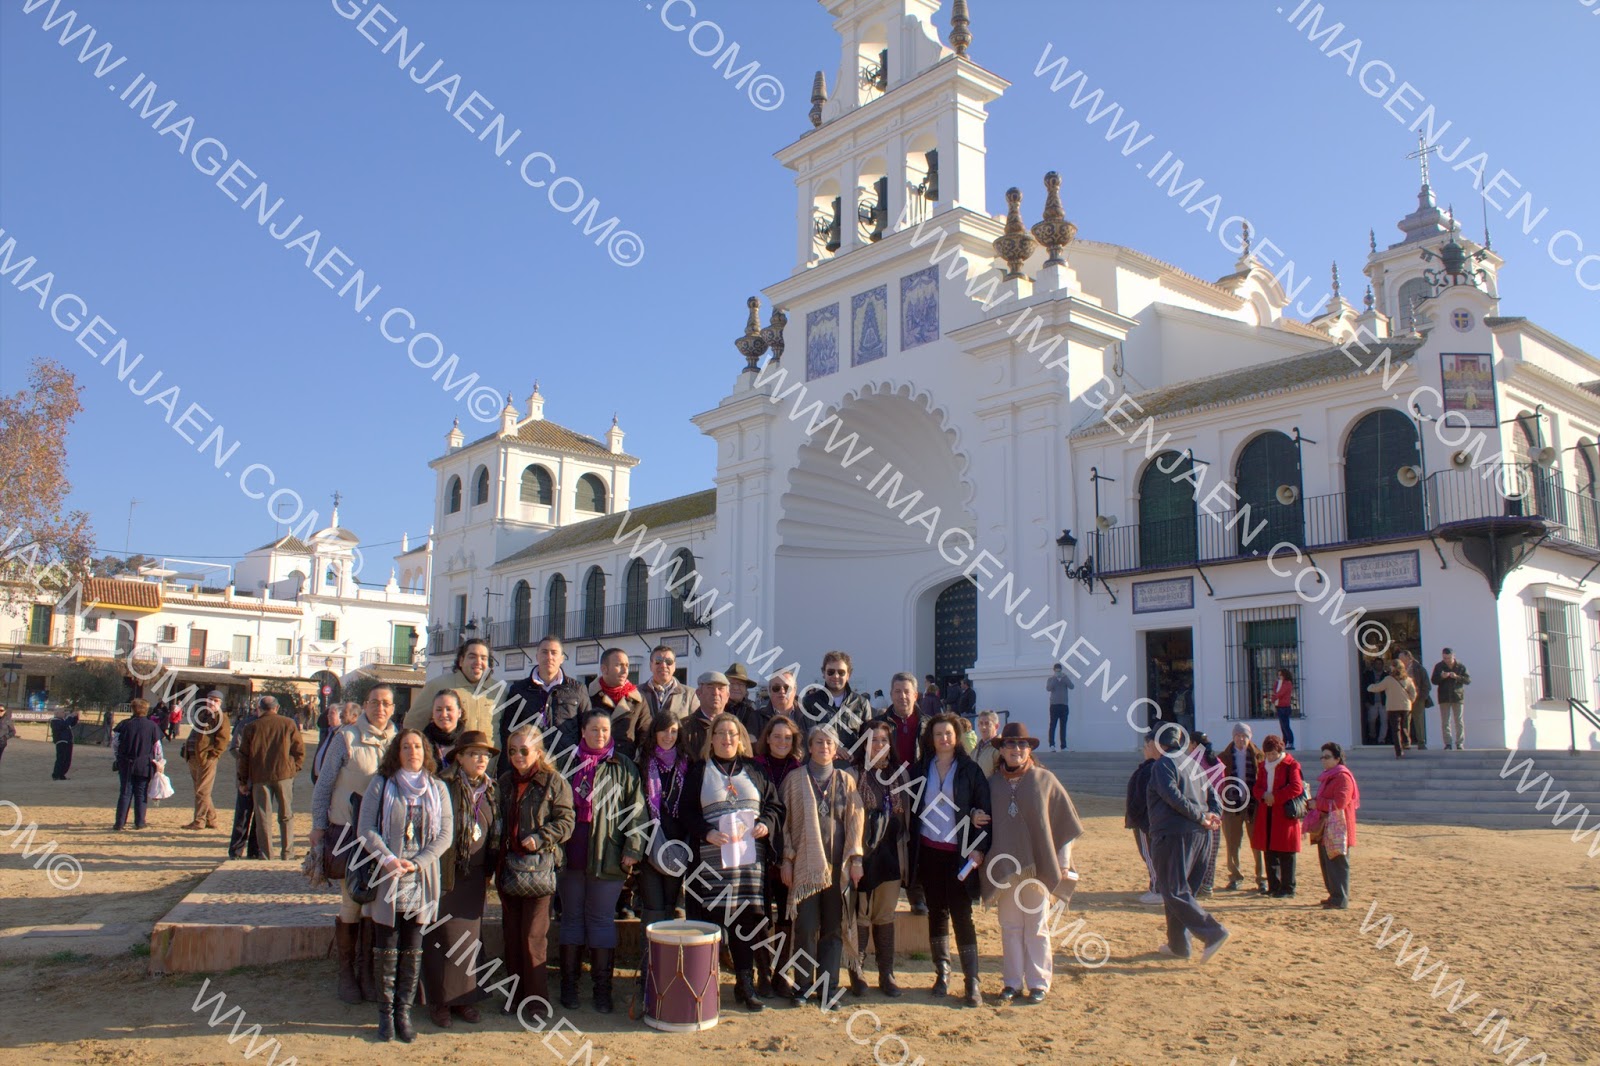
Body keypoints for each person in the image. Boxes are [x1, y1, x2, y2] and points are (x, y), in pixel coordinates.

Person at [359, 729, 454, 1043]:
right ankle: (385, 1016)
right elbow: (366, 828)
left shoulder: (437, 788)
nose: (412, 750)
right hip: (388, 876)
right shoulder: (381, 784)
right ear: (396, 752)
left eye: (417, 746)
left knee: (413, 948)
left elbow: (445, 835)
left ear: (425, 751)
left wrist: (418, 862)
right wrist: (388, 859)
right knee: (387, 946)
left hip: (421, 878)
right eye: (406, 746)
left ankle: (404, 1013)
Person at [981, 723, 1084, 1003]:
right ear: (1001, 750)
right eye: (1010, 744)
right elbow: (979, 820)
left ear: (1029, 750)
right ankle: (1012, 982)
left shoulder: (1044, 780)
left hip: (1038, 866)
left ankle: (1039, 982)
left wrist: (1062, 863)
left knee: (1037, 925)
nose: (1016, 749)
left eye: (1022, 745)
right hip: (1003, 866)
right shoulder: (991, 785)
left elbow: (1064, 822)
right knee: (1010, 925)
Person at [684, 712, 779, 1012]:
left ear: (740, 740)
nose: (727, 739)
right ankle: (705, 985)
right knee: (710, 925)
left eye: (733, 734)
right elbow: (686, 813)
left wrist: (766, 823)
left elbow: (775, 806)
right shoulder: (699, 771)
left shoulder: (755, 770)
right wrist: (707, 832)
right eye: (721, 733)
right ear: (711, 739)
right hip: (711, 866)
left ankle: (745, 984)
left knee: (745, 925)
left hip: (750, 868)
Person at [312, 684, 398, 1004]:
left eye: (386, 703)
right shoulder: (345, 738)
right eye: (374, 702)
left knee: (373, 904)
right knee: (351, 901)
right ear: (365, 705)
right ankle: (346, 972)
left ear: (392, 709)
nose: (380, 708)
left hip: (382, 836)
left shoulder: (398, 742)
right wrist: (318, 829)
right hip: (349, 832)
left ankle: (366, 971)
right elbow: (324, 786)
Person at [556, 709, 643, 1015]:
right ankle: (569, 986)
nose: (600, 735)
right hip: (571, 851)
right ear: (583, 731)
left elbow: (637, 810)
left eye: (605, 730)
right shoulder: (565, 764)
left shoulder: (624, 766)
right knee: (571, 917)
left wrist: (634, 846)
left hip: (608, 851)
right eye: (594, 730)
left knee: (601, 919)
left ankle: (602, 990)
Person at [907, 712, 991, 1007]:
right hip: (929, 852)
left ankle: (972, 981)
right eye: (938, 733)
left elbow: (983, 811)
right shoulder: (921, 769)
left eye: (948, 733)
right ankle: (942, 973)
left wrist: (979, 848)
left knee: (962, 915)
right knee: (937, 913)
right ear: (931, 739)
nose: (943, 738)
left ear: (957, 737)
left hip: (960, 854)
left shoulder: (970, 770)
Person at [780, 724, 863, 1010]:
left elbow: (855, 821)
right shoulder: (795, 780)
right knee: (805, 927)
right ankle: (803, 986)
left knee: (833, 928)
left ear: (836, 748)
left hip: (838, 868)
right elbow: (786, 825)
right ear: (810, 746)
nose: (824, 747)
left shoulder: (846, 780)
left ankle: (828, 988)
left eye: (829, 743)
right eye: (818, 742)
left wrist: (856, 859)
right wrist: (787, 860)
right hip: (806, 868)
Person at [497, 724, 574, 1022]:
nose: (518, 756)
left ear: (539, 752)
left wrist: (541, 837)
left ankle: (537, 1002)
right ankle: (514, 996)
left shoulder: (554, 782)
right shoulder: (503, 781)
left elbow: (567, 821)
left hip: (540, 868)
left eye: (524, 750)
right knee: (512, 937)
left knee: (533, 937)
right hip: (509, 869)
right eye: (513, 750)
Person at [425, 730, 499, 1028]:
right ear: (459, 757)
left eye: (485, 755)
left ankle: (466, 998)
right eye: (473, 754)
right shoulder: (443, 785)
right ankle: (440, 1001)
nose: (481, 759)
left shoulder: (491, 789)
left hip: (477, 874)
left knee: (470, 938)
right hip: (447, 872)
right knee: (442, 937)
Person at [1147, 728, 1230, 963]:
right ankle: (1178, 945)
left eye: (1150, 743)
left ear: (1159, 744)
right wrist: (1212, 814)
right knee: (1183, 893)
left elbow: (1172, 796)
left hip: (1175, 834)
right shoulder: (1193, 764)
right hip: (1200, 836)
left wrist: (1200, 817)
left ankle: (1212, 932)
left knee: (1174, 891)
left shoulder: (1163, 765)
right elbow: (1213, 794)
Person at [853, 719, 910, 997]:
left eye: (883, 740)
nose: (878, 745)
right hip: (862, 856)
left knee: (885, 915)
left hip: (890, 854)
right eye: (872, 740)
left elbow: (907, 818)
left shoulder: (900, 776)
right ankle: (858, 970)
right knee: (861, 915)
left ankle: (886, 973)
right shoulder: (853, 774)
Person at [753, 712, 803, 996]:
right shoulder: (755, 767)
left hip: (787, 853)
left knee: (786, 916)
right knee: (760, 915)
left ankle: (782, 974)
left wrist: (789, 857)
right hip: (759, 851)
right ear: (767, 739)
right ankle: (763, 973)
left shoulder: (798, 770)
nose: (782, 741)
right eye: (776, 737)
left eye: (788, 738)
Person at [636, 711, 690, 942]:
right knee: (652, 908)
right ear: (654, 732)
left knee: (669, 906)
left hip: (677, 845)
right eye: (664, 730)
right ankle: (649, 968)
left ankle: (666, 965)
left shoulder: (688, 764)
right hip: (649, 845)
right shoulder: (642, 763)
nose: (668, 736)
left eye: (674, 731)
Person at [500, 635, 590, 764]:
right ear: (537, 656)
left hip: (567, 766)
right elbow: (508, 731)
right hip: (530, 765)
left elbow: (587, 728)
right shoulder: (519, 690)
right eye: (544, 652)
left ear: (562, 658)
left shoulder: (578, 689)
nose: (549, 657)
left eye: (554, 653)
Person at [236, 695, 305, 861]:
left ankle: (267, 854)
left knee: (263, 817)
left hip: (260, 776)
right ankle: (288, 853)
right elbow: (299, 750)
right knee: (286, 815)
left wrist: (243, 781)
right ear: (277, 708)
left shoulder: (251, 727)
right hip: (284, 775)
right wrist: (293, 769)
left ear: (260, 709)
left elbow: (243, 757)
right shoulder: (288, 724)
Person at [403, 638, 499, 735]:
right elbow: (412, 724)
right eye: (472, 657)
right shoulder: (438, 686)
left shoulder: (499, 691)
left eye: (483, 658)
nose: (478, 662)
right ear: (461, 661)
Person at [1306, 742, 1360, 910]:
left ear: (1338, 759)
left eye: (1327, 757)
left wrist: (1318, 804)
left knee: (1337, 862)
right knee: (1327, 862)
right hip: (1326, 825)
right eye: (1322, 757)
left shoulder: (1343, 777)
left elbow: (1340, 802)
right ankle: (1333, 895)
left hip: (1338, 827)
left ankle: (1340, 898)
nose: (1324, 760)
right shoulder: (1328, 776)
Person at [1251, 734, 1304, 898]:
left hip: (1283, 813)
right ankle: (1274, 885)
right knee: (1269, 850)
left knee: (1286, 852)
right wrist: (1263, 796)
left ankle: (1288, 887)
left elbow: (1296, 787)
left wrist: (1275, 797)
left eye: (1273, 753)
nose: (1271, 757)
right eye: (1268, 754)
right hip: (1266, 812)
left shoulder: (1291, 765)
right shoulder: (1263, 766)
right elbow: (1257, 787)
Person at [1217, 723, 1263, 892]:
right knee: (1232, 843)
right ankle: (1235, 876)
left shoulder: (1259, 756)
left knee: (1258, 843)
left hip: (1254, 805)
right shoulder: (1224, 757)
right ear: (1233, 737)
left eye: (1244, 735)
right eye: (1238, 735)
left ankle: (1261, 877)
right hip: (1231, 805)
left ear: (1249, 737)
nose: (1241, 739)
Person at [800, 651, 872, 758]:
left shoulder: (862, 703)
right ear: (823, 673)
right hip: (820, 767)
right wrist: (833, 748)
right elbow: (807, 737)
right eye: (831, 672)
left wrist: (851, 754)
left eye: (841, 672)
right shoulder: (809, 702)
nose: (836, 676)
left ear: (849, 674)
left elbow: (868, 739)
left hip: (852, 767)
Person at [111, 698, 165, 831]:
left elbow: (115, 743)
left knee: (125, 792)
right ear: (146, 710)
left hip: (126, 762)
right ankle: (140, 822)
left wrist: (118, 757)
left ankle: (119, 823)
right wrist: (159, 762)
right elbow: (157, 747)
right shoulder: (152, 726)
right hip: (144, 764)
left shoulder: (124, 724)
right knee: (141, 793)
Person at [587, 648, 650, 761]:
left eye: (627, 665)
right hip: (594, 764)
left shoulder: (638, 700)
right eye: (619, 665)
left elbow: (645, 735)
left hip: (626, 766)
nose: (625, 670)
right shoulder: (588, 697)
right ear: (604, 669)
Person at [181, 691, 231, 830]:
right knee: (201, 790)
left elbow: (223, 740)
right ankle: (211, 819)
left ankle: (199, 821)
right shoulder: (203, 715)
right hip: (193, 757)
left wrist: (213, 754)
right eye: (210, 700)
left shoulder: (221, 718)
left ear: (220, 703)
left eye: (216, 700)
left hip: (206, 758)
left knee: (202, 791)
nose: (212, 703)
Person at [1187, 732, 1225, 898]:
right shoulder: (1216, 762)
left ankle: (1195, 883)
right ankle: (1208, 884)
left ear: (1194, 744)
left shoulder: (1190, 763)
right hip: (1215, 811)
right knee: (1211, 851)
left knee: (1194, 851)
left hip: (1197, 813)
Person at [1125, 733, 1162, 904]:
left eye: (1147, 747)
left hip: (1145, 821)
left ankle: (1157, 889)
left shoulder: (1150, 769)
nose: (1144, 750)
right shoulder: (1154, 767)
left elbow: (1140, 797)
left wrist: (1134, 815)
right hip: (1152, 820)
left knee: (1150, 855)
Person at [1368, 662, 1417, 759]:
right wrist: (1410, 701)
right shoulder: (1408, 679)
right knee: (1405, 726)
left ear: (1394, 668)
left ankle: (1399, 752)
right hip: (1406, 706)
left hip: (1393, 707)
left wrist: (1369, 687)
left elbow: (1377, 688)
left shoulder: (1388, 679)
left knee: (1396, 730)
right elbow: (1413, 693)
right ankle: (1407, 742)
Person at [678, 670, 729, 758]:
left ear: (727, 696)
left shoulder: (735, 727)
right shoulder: (683, 727)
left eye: (720, 688)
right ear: (698, 693)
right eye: (710, 687)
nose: (716, 693)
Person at [640, 644, 697, 722]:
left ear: (674, 666)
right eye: (658, 661)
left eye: (668, 662)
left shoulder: (690, 695)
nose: (663, 665)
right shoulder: (637, 693)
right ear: (650, 665)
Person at [877, 672, 922, 767]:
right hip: (889, 778)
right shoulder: (877, 724)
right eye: (898, 691)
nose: (902, 696)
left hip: (921, 779)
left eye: (907, 691)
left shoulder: (928, 724)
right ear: (891, 694)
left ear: (915, 696)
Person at [1431, 648, 1471, 751]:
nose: (1447, 660)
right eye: (1444, 658)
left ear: (1453, 656)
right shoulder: (1439, 666)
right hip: (1444, 697)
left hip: (1457, 696)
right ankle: (1448, 743)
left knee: (1458, 721)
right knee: (1445, 721)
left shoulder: (1460, 666)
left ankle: (1460, 743)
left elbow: (1468, 680)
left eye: (1448, 658)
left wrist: (1457, 677)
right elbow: (1433, 680)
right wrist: (1442, 677)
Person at [421, 690, 466, 770]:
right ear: (433, 713)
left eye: (449, 709)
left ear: (459, 712)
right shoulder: (421, 742)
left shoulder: (468, 742)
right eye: (439, 710)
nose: (444, 714)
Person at [1397, 649, 1432, 750]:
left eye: (1401, 658)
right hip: (1405, 699)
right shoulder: (1400, 670)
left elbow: (1427, 685)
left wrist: (1422, 698)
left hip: (1418, 699)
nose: (1400, 660)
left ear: (1408, 657)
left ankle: (1421, 742)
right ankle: (1406, 742)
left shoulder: (1419, 668)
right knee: (1405, 721)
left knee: (1418, 720)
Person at [725, 662, 769, 738]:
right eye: (731, 683)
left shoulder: (753, 710)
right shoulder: (718, 707)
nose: (736, 688)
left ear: (746, 689)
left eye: (740, 684)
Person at [312, 702, 346, 784]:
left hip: (331, 782)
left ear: (340, 715)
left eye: (332, 713)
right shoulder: (328, 732)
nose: (328, 716)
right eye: (328, 713)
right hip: (319, 778)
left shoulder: (343, 735)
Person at [1044, 663, 1074, 752]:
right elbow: (1048, 688)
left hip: (1064, 705)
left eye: (1059, 670)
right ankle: (1051, 745)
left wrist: (1064, 678)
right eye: (1056, 670)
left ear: (1061, 670)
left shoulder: (1065, 678)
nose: (1058, 672)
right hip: (1054, 706)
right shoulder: (1050, 679)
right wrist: (1055, 678)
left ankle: (1063, 746)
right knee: (1053, 725)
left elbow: (1072, 686)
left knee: (1063, 726)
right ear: (1054, 670)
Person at [49, 704, 79, 780]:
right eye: (62, 712)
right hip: (61, 741)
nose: (64, 713)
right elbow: (64, 725)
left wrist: (75, 716)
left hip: (68, 741)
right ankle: (56, 775)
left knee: (67, 759)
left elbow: (72, 723)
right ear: (57, 713)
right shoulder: (55, 721)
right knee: (61, 759)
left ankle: (62, 774)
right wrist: (70, 716)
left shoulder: (64, 720)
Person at [1269, 669, 1295, 750]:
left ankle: (1290, 742)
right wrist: (1277, 683)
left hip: (1284, 707)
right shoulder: (1280, 683)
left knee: (1286, 726)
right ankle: (1285, 741)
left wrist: (1273, 699)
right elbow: (1275, 691)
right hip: (1279, 706)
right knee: (1282, 726)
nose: (1279, 677)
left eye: (1281, 675)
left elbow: (1280, 693)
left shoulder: (1287, 684)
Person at [972, 710, 1002, 776]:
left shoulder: (1000, 748)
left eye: (987, 723)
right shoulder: (975, 749)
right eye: (981, 723)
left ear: (996, 726)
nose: (983, 727)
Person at [0, 704, 14, 775]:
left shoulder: (7, 720)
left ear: (4, 711)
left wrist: (6, 737)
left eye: (1, 710)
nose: (0, 712)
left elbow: (13, 732)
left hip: (1, 742)